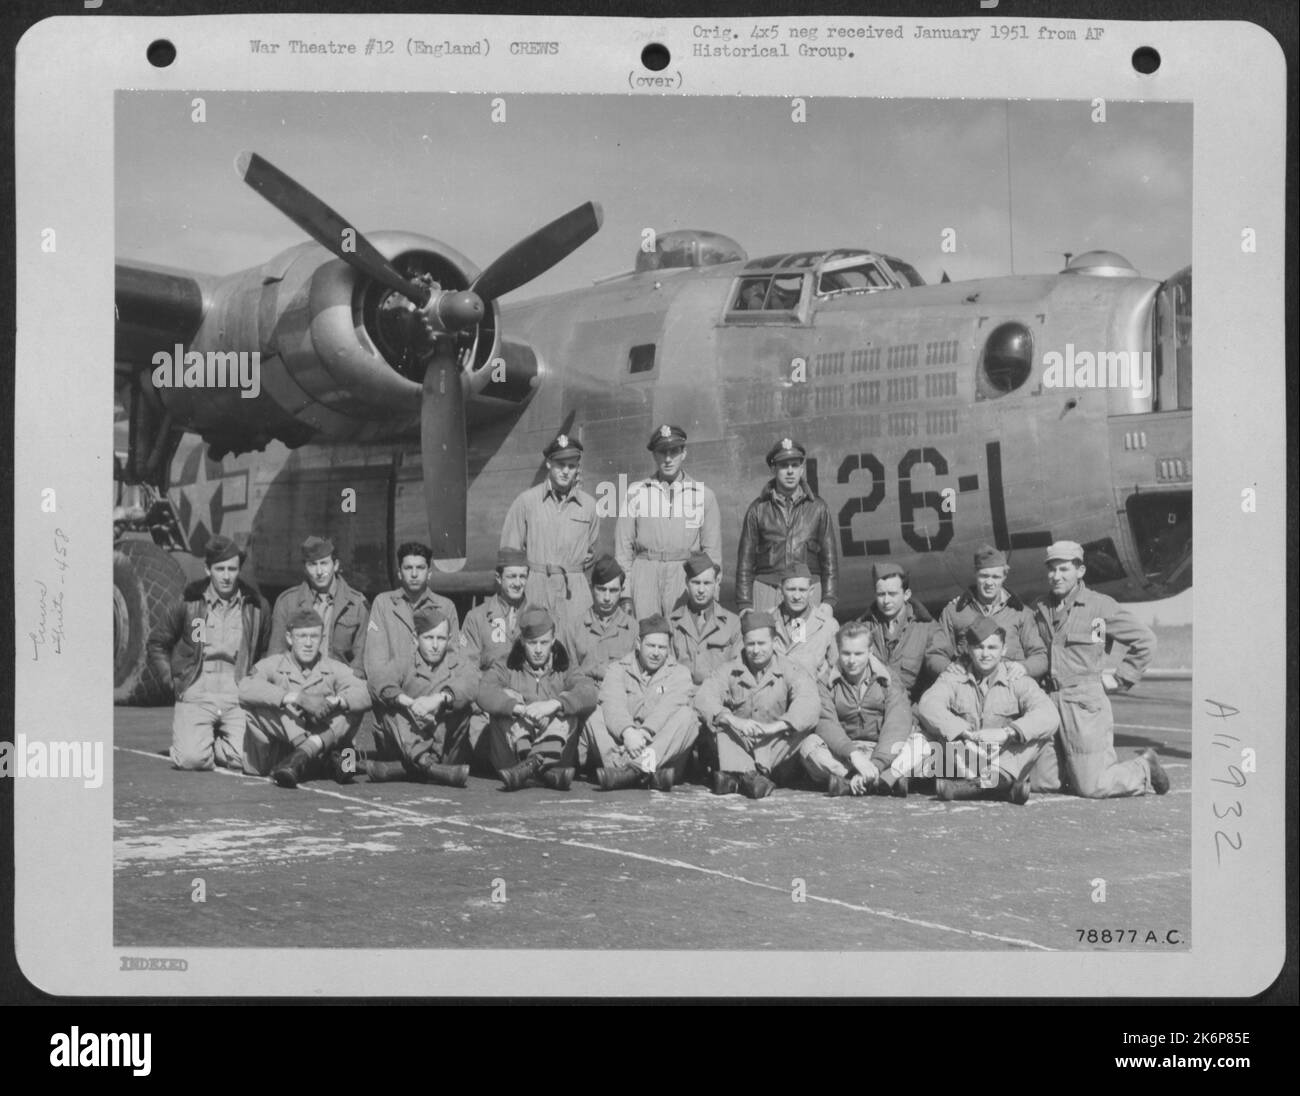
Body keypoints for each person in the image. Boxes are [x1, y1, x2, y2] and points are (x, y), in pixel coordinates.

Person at [1028, 541, 1169, 798]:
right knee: (1042, 783)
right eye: (1051, 570)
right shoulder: (1040, 608)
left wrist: (1120, 678)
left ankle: (1144, 767)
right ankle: (1076, 772)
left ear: (1080, 571)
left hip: (1085, 706)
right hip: (1049, 702)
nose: (1056, 576)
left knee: (1093, 786)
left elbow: (1145, 641)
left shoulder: (1099, 608)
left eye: (1063, 569)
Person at [146, 535, 272, 772]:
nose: (226, 576)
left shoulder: (256, 607)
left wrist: (257, 688)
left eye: (232, 569)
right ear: (207, 569)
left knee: (251, 762)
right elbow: (157, 644)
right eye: (220, 569)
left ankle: (210, 741)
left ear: (239, 570)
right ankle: (194, 740)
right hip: (198, 690)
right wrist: (172, 682)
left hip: (237, 695)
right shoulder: (189, 603)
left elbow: (265, 652)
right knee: (191, 760)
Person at [917, 616, 1062, 804]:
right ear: (969, 649)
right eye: (979, 647)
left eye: (992, 648)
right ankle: (1003, 789)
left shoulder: (1017, 680)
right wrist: (964, 732)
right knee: (927, 733)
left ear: (1004, 650)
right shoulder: (953, 676)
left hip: (1003, 759)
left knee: (1040, 733)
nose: (985, 654)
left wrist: (1006, 733)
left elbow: (1049, 715)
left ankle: (968, 788)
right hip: (967, 754)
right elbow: (928, 705)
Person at [237, 608, 372, 788]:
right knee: (266, 702)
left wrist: (336, 701)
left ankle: (304, 753)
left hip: (310, 753)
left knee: (352, 707)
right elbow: (245, 688)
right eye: (301, 636)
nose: (308, 643)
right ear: (289, 638)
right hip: (275, 756)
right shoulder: (273, 664)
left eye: (314, 637)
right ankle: (310, 752)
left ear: (322, 639)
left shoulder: (333, 667)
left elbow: (366, 692)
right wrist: (294, 698)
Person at [694, 610, 821, 799]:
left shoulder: (791, 669)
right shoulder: (728, 670)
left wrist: (773, 728)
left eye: (761, 643)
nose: (755, 650)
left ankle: (738, 775)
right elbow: (703, 699)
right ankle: (750, 776)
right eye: (750, 644)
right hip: (739, 742)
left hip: (774, 748)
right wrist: (734, 721)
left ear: (774, 641)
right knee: (720, 723)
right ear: (743, 643)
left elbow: (809, 704)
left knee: (802, 728)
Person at [476, 607, 598, 792]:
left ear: (553, 641)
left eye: (544, 643)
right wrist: (520, 709)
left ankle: (533, 765)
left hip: (557, 756)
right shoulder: (506, 664)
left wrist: (553, 705)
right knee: (506, 699)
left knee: (567, 704)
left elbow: (589, 692)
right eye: (533, 643)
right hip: (512, 755)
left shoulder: (565, 668)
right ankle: (540, 767)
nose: (539, 650)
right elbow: (483, 692)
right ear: (523, 641)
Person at [615, 424, 722, 618]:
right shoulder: (636, 492)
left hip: (683, 576)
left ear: (684, 453)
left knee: (682, 637)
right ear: (654, 455)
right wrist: (625, 595)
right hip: (645, 574)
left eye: (674, 451)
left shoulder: (704, 496)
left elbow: (712, 553)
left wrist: (712, 594)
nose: (668, 458)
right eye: (662, 452)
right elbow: (623, 549)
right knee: (646, 638)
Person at [798, 621, 913, 797]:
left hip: (882, 751)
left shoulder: (889, 679)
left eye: (858, 654)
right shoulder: (824, 681)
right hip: (845, 755)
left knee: (920, 743)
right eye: (846, 653)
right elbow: (826, 723)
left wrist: (877, 763)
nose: (852, 661)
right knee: (808, 746)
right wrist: (854, 756)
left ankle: (850, 783)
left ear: (870, 651)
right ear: (838, 650)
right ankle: (876, 781)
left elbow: (897, 724)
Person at [500, 432, 599, 630]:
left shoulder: (588, 506)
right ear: (548, 464)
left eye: (571, 466)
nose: (565, 471)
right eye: (560, 465)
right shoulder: (526, 502)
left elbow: (590, 552)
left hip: (574, 591)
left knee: (575, 648)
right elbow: (509, 554)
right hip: (536, 587)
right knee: (535, 644)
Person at [587, 615, 698, 792]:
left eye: (662, 647)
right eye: (651, 646)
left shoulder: (679, 673)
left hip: (658, 751)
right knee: (595, 713)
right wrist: (628, 732)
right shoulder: (618, 669)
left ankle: (631, 772)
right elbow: (612, 702)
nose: (656, 652)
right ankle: (643, 774)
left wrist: (644, 731)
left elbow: (669, 706)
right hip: (624, 746)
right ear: (639, 643)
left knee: (689, 717)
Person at [368, 608, 477, 787]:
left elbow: (471, 684)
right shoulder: (403, 661)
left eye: (441, 639)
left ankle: (406, 768)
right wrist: (409, 703)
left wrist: (440, 699)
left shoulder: (458, 663)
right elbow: (377, 681)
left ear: (449, 640)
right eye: (428, 638)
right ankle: (427, 766)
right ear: (415, 638)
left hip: (444, 749)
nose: (435, 645)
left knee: (463, 706)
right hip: (405, 743)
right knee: (389, 707)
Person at [735, 437, 839, 618]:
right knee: (769, 643)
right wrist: (745, 603)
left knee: (805, 644)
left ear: (802, 469)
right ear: (773, 469)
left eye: (795, 465)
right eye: (783, 465)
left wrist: (829, 600)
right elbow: (745, 562)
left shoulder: (818, 508)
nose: (790, 471)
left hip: (807, 590)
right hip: (769, 590)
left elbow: (829, 561)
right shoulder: (758, 509)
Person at [364, 542, 461, 714]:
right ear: (399, 573)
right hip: (392, 700)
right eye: (408, 568)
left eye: (420, 568)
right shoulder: (384, 604)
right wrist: (393, 694)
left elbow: (453, 659)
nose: (414, 574)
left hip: (433, 700)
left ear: (429, 572)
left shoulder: (446, 607)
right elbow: (376, 661)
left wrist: (431, 698)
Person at [925, 545, 1046, 682]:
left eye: (995, 577)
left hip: (1009, 689)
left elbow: (1040, 655)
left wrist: (1024, 667)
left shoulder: (1022, 614)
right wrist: (948, 668)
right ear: (975, 573)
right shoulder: (954, 612)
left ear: (1004, 576)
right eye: (984, 576)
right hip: (967, 688)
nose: (989, 582)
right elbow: (935, 654)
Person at [457, 548, 530, 772]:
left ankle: (527, 761)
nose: (518, 583)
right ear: (499, 578)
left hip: (528, 706)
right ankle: (527, 762)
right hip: (487, 710)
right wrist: (495, 697)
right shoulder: (477, 617)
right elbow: (466, 668)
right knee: (488, 752)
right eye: (511, 577)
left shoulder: (538, 615)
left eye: (522, 576)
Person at [268, 535, 370, 669]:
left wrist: (347, 684)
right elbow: (276, 655)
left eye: (324, 563)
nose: (319, 571)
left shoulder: (356, 604)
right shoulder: (287, 602)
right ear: (304, 568)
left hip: (340, 683)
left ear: (336, 565)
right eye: (312, 565)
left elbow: (361, 660)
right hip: (298, 682)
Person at [854, 562, 936, 704]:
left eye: (892, 594)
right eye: (881, 594)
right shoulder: (862, 628)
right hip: (872, 708)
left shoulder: (927, 628)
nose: (886, 601)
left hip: (909, 707)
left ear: (906, 594)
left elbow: (939, 665)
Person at [667, 552, 742, 686]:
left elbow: (737, 672)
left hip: (718, 696)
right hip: (681, 695)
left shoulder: (733, 623)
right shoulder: (672, 623)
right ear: (686, 583)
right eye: (696, 582)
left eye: (707, 583)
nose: (701, 590)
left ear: (716, 583)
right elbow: (664, 676)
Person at [561, 555, 637, 684]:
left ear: (622, 591)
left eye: (613, 590)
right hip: (583, 692)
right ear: (591, 588)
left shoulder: (632, 628)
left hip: (618, 692)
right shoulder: (574, 626)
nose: (607, 598)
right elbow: (568, 672)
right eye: (601, 589)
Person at [770, 562, 840, 682]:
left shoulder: (828, 625)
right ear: (781, 590)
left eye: (802, 590)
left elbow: (837, 667)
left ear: (811, 591)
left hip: (813, 693)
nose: (797, 596)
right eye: (791, 589)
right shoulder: (766, 620)